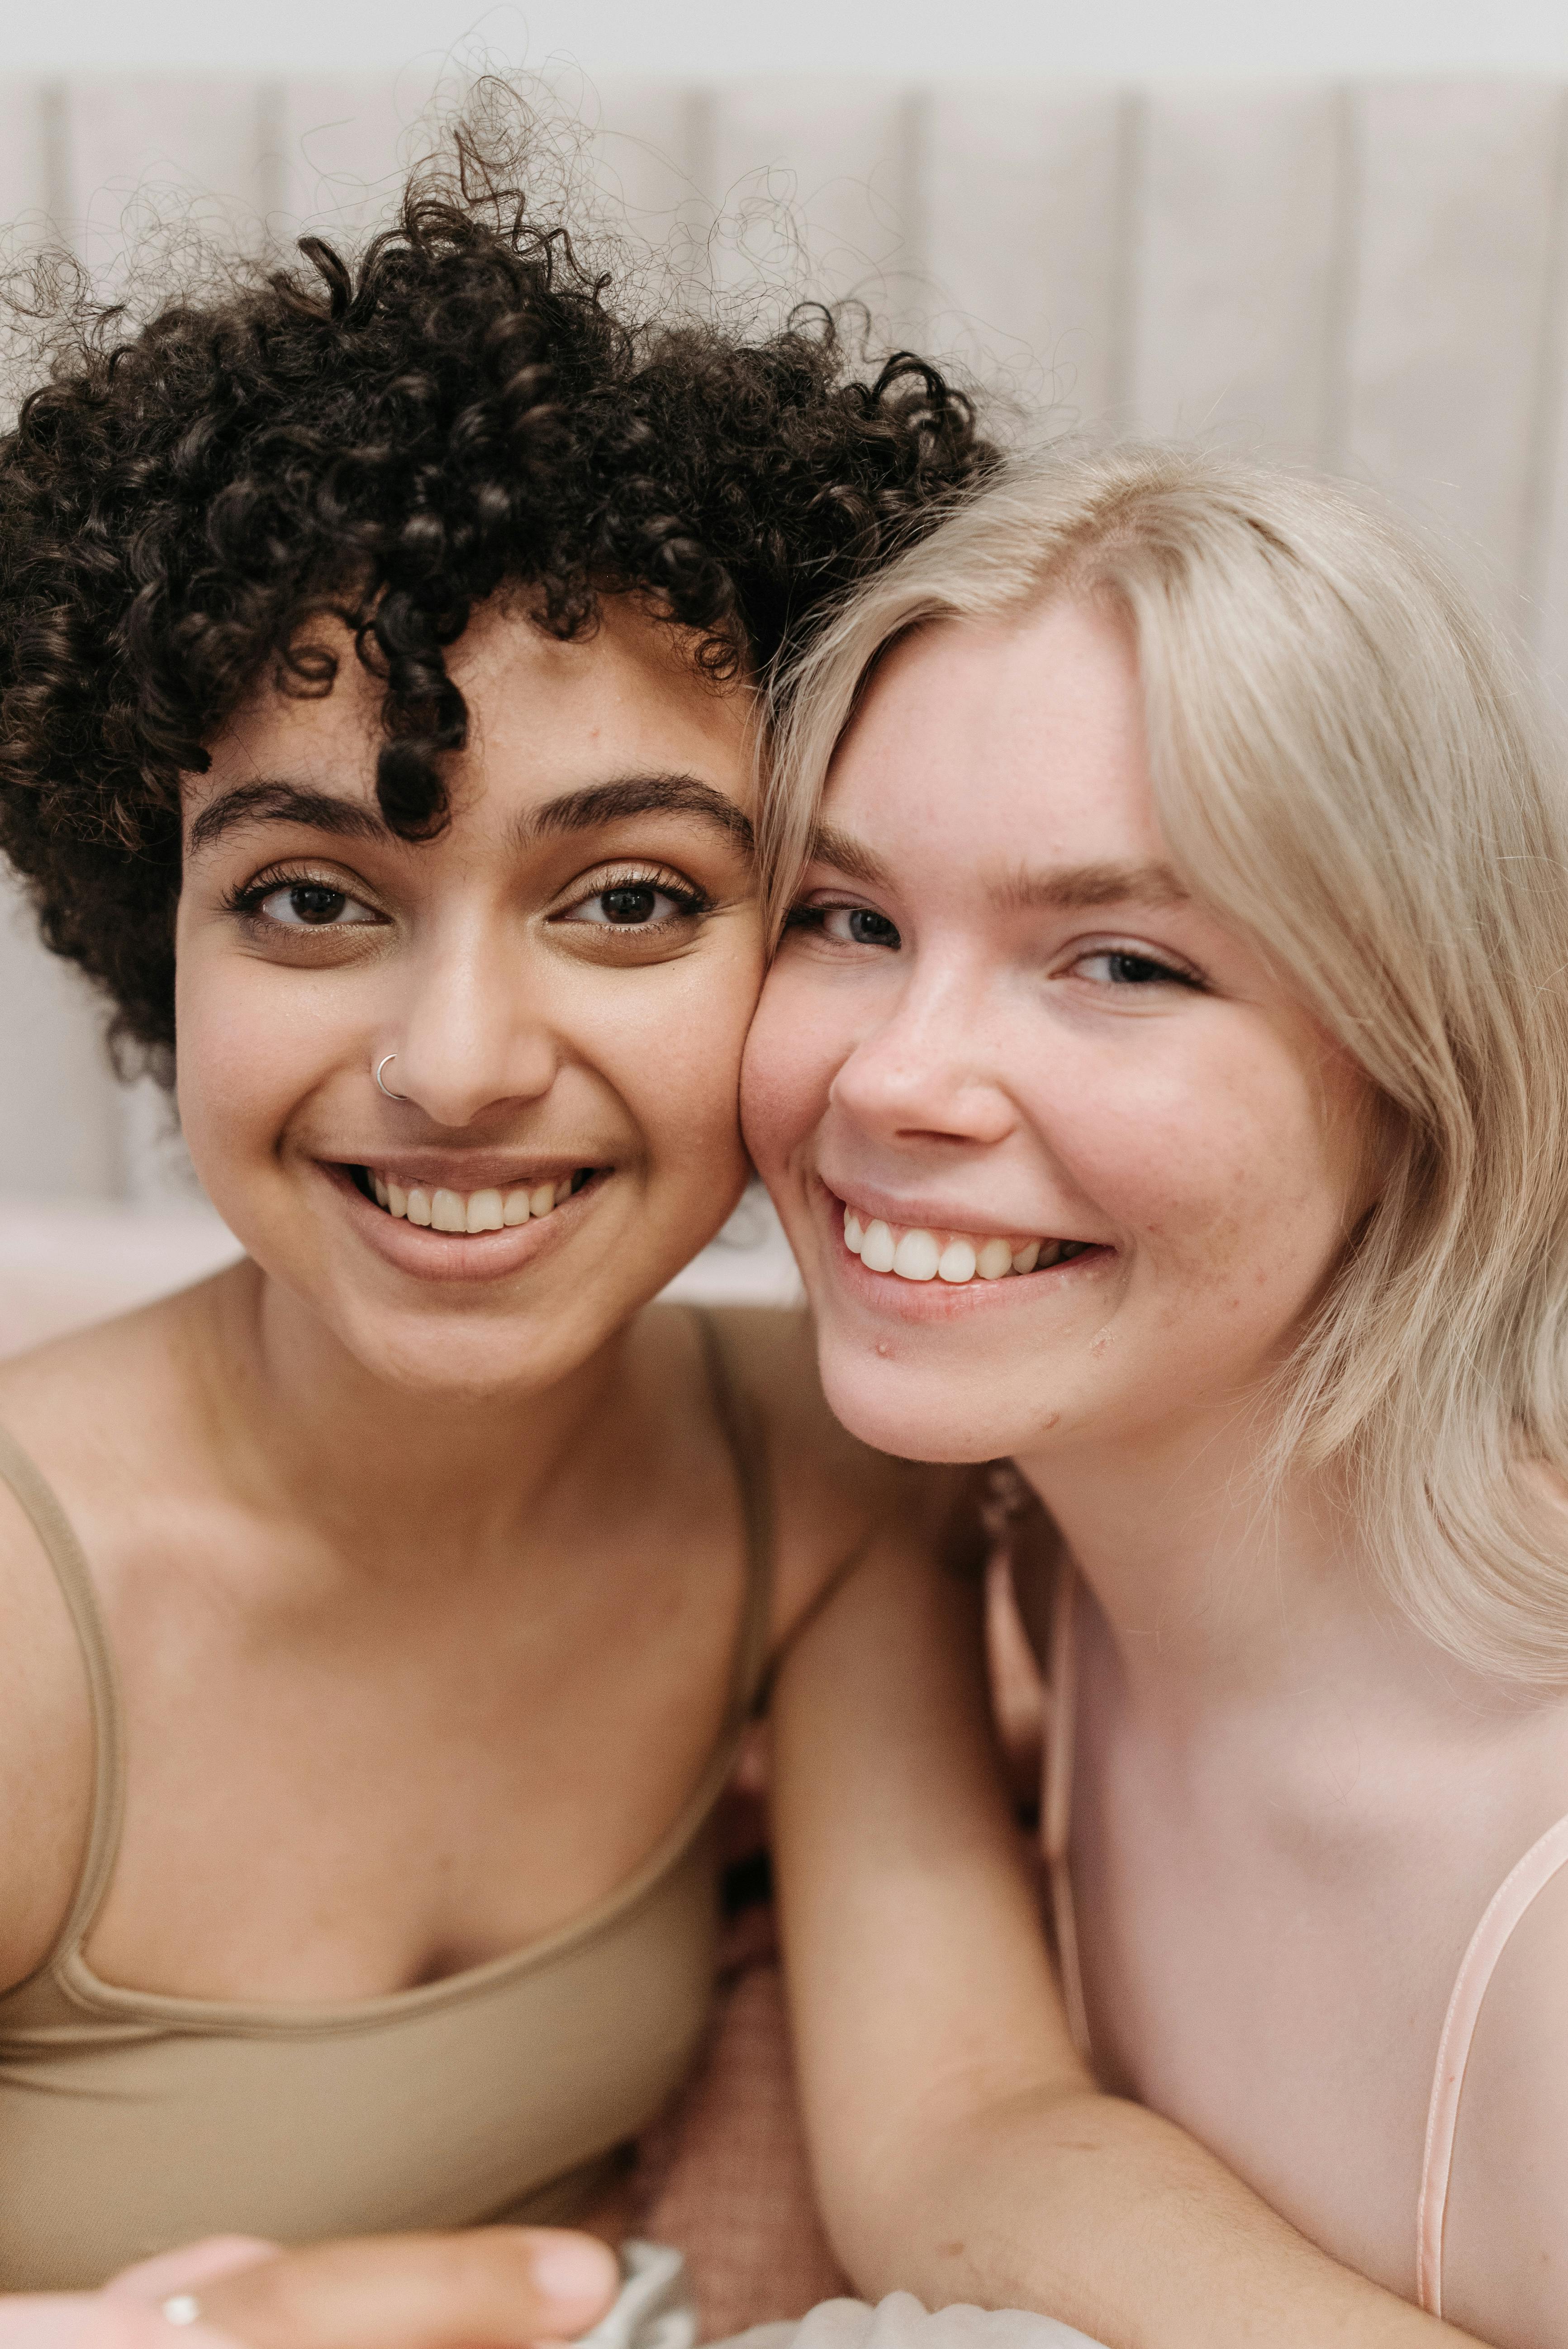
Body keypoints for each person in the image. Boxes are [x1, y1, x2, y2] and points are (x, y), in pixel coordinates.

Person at [0, 116, 993, 2340]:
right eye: (311, 896)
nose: (456, 1061)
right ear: (154, 940)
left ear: (823, 936)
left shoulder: (820, 1472)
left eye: (629, 897)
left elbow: (967, 2147)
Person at [744, 445, 1568, 2349]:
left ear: (1413, 1073)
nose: (898, 1078)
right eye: (850, 920)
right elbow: (961, 2142)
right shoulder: (1023, 1523)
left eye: (1118, 960)